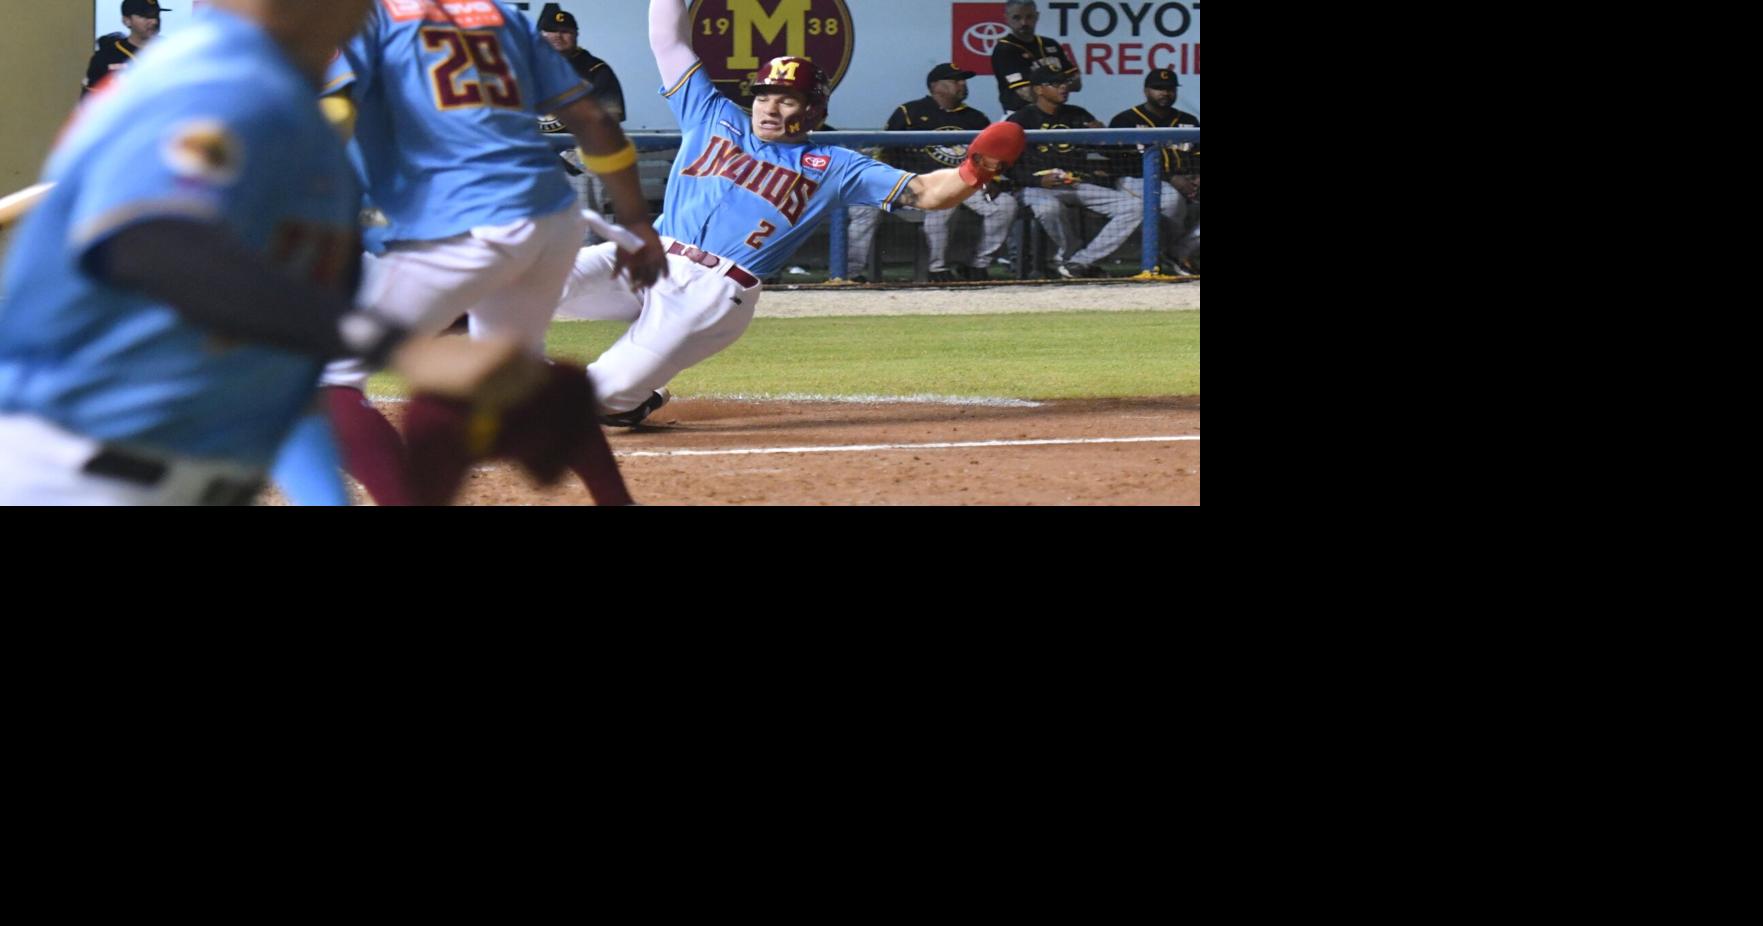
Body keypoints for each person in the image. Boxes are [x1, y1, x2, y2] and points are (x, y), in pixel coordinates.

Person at [0, 0, 568, 505]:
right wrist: (401, 348)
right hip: (68, 476)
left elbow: (283, 367)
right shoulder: (214, 77)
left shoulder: (308, 129)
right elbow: (151, 246)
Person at [553, 0, 1025, 426]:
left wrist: (973, 171)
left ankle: (631, 401)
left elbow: (925, 192)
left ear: (812, 108)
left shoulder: (834, 165)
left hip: (712, 292)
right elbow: (668, 38)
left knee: (598, 399)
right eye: (763, 95)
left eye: (786, 98)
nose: (769, 107)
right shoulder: (711, 113)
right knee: (510, 282)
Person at [316, 0, 667, 505]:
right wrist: (636, 223)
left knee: (330, 379)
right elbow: (594, 120)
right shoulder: (502, 17)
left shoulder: (366, 19)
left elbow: (334, 115)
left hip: (464, 225)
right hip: (553, 220)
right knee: (516, 378)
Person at [845, 63, 1017, 283]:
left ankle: (978, 265)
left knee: (1005, 206)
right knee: (942, 204)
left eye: (963, 80)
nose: (962, 84)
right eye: (956, 80)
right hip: (918, 184)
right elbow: (884, 150)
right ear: (936, 86)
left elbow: (989, 157)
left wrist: (990, 179)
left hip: (965, 183)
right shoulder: (910, 112)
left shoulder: (975, 118)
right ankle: (936, 268)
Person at [1007, 65, 1139, 278]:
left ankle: (1080, 261)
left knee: (1134, 207)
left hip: (1074, 183)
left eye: (1065, 83)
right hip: (1034, 187)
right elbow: (1007, 165)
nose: (1064, 87)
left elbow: (1105, 152)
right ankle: (1071, 254)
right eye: (1056, 84)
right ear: (1039, 89)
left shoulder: (1077, 114)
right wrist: (1037, 181)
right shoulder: (1020, 120)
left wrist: (1102, 137)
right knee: (1049, 208)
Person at [536, 3, 628, 227]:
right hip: (536, 160)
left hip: (581, 162)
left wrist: (573, 154)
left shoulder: (595, 70)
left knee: (587, 231)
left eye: (565, 31)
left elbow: (609, 119)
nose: (558, 36)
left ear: (576, 35)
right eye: (552, 31)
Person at [1108, 68, 1200, 274]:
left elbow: (1197, 156)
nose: (1164, 93)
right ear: (1146, 91)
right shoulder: (1125, 120)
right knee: (1170, 200)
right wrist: (1170, 178)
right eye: (1158, 88)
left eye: (1169, 89)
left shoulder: (1189, 121)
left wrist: (1197, 177)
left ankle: (1177, 251)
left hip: (1185, 183)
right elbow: (1119, 162)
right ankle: (1161, 255)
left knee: (1172, 198)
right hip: (1133, 180)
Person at [989, 0, 1080, 117]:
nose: (1024, 22)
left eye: (1029, 17)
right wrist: (1060, 85)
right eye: (1017, 17)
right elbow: (1025, 92)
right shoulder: (1005, 50)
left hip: (1056, 113)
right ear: (1006, 18)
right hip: (1020, 115)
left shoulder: (1051, 44)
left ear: (1037, 16)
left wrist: (1048, 88)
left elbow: (1077, 82)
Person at [83, 0, 170, 98]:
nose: (154, 21)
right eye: (145, 16)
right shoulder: (106, 57)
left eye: (156, 15)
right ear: (126, 21)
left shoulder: (173, 51)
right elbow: (89, 104)